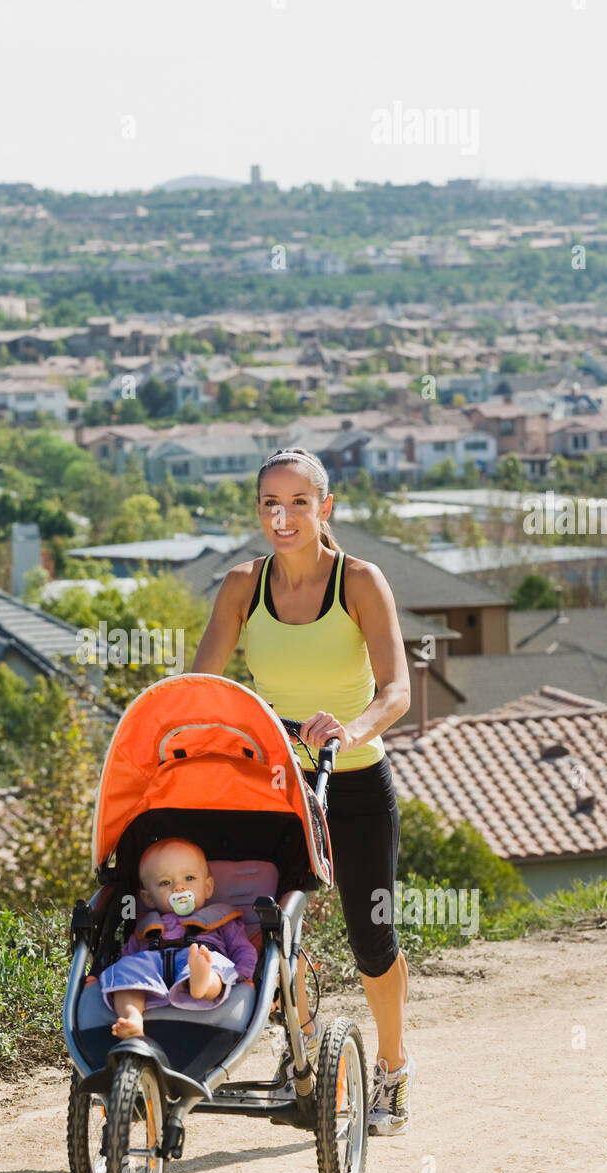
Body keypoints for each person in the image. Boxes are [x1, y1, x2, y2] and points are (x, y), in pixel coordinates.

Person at [191, 447, 415, 1135]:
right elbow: (201, 690)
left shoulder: (359, 581)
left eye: (296, 502)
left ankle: (393, 1069)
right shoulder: (240, 586)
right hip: (273, 785)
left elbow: (399, 690)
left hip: (349, 782)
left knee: (371, 937)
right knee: (268, 923)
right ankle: (307, 1056)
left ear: (325, 506)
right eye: (269, 504)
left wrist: (350, 729)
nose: (282, 517)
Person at [100, 838, 257, 1040]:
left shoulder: (222, 920)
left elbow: (243, 949)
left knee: (217, 966)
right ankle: (133, 1016)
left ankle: (201, 983)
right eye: (165, 883)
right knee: (126, 970)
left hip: (199, 957)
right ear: (148, 898)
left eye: (189, 878)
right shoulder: (146, 925)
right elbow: (130, 954)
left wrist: (244, 974)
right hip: (153, 968)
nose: (179, 889)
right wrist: (126, 967)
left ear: (208, 887)